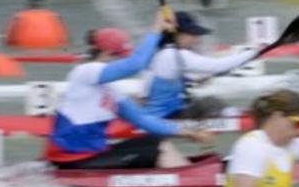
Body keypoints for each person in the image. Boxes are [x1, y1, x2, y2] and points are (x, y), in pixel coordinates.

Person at [45, 14, 214, 170]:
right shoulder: (85, 72)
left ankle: (186, 173)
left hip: (92, 154)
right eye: (121, 57)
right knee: (157, 149)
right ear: (106, 53)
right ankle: (188, 178)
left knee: (156, 141)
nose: (122, 61)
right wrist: (157, 29)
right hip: (73, 159)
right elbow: (136, 64)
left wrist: (190, 133)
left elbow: (143, 120)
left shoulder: (111, 90)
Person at [143, 11, 257, 119]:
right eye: (192, 34)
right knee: (211, 102)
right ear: (177, 34)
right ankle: (239, 117)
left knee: (203, 101)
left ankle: (234, 113)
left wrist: (193, 80)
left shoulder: (159, 52)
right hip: (167, 117)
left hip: (157, 113)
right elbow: (219, 65)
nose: (196, 40)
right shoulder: (175, 55)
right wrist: (253, 52)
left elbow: (150, 88)